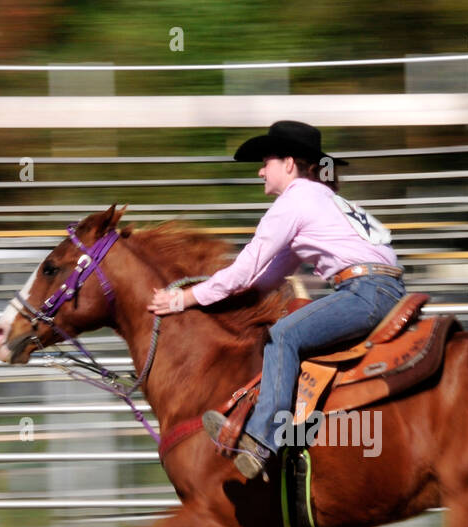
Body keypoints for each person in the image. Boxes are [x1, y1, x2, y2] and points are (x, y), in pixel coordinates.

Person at [147, 120, 405, 479]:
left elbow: (242, 272)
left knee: (283, 335)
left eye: (265, 161)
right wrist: (218, 299)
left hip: (365, 291)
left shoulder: (294, 201)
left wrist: (182, 299)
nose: (259, 170)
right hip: (385, 289)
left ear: (288, 164)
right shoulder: (323, 200)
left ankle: (262, 441)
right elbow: (264, 278)